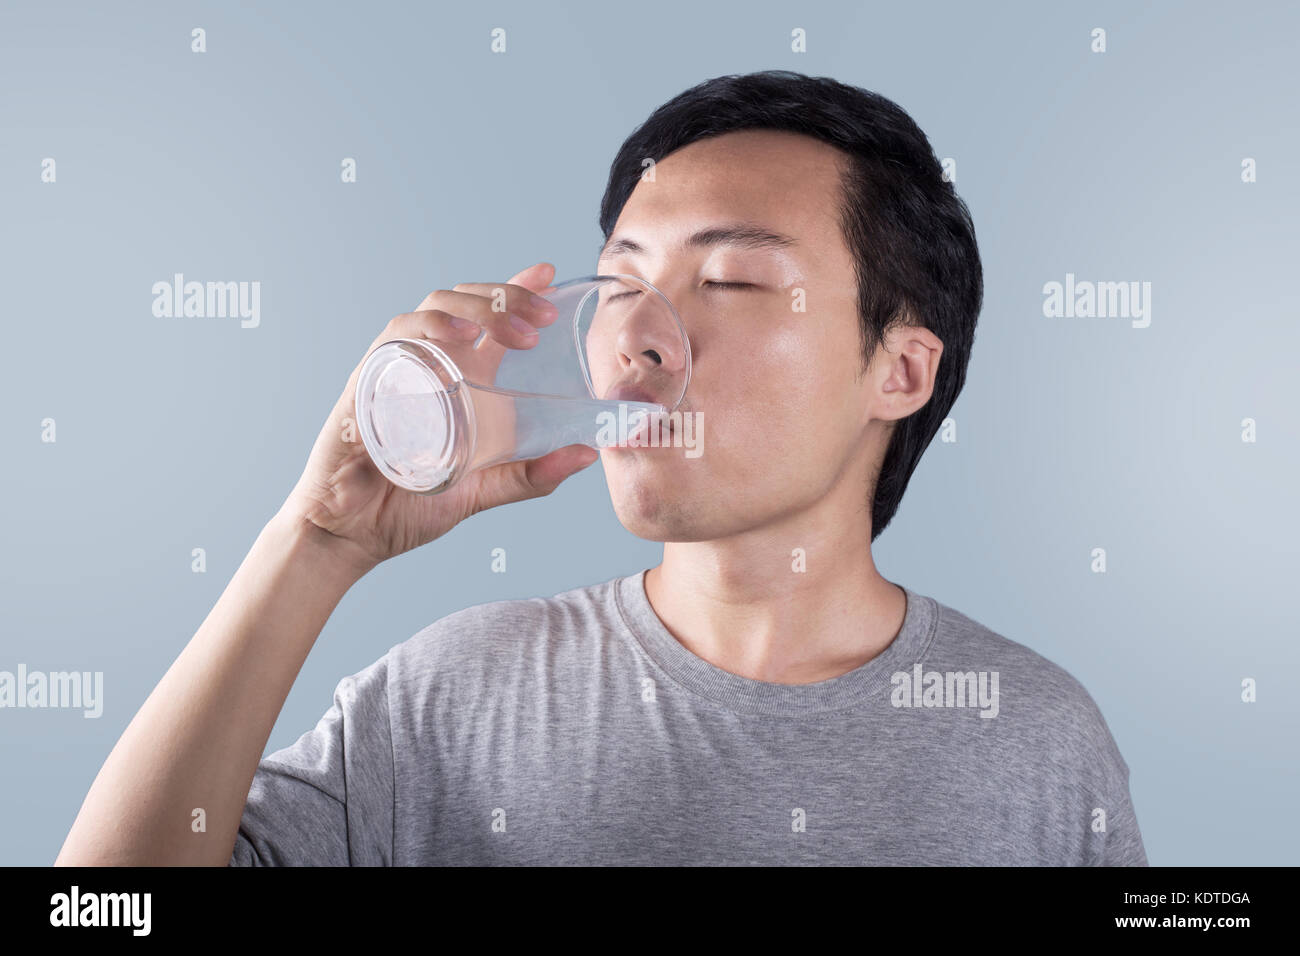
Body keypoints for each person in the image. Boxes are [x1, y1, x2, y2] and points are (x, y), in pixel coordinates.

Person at [55, 70, 1146, 866]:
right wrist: (316, 541)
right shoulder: (454, 695)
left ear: (899, 370)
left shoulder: (1035, 740)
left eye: (728, 281)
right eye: (621, 282)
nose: (639, 334)